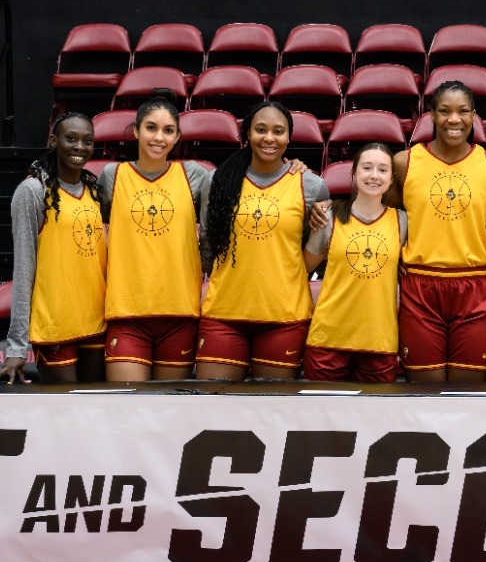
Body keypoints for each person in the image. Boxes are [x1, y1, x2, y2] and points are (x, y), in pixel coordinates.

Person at [196, 100, 331, 381]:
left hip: (285, 316)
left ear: (289, 137)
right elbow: (208, 243)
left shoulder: (311, 185)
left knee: (273, 414)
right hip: (224, 313)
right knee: (212, 409)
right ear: (247, 134)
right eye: (260, 129)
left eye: (278, 131)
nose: (269, 138)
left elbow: (312, 252)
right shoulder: (217, 180)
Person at [386, 80, 486, 383]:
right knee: (425, 391)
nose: (454, 119)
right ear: (431, 116)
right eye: (445, 111)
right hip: (420, 284)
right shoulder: (405, 162)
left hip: (473, 284)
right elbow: (386, 217)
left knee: (468, 391)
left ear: (474, 117)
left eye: (463, 111)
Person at [97, 89, 213, 381]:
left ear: (177, 137)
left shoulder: (194, 175)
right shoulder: (112, 176)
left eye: (168, 131)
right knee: (127, 410)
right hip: (127, 313)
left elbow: (212, 234)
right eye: (151, 128)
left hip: (180, 312)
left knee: (171, 416)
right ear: (136, 131)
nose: (159, 138)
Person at [0, 112, 107, 384]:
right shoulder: (33, 191)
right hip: (55, 326)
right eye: (71, 138)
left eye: (87, 140)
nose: (80, 146)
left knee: (98, 414)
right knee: (64, 418)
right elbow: (23, 269)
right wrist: (16, 347)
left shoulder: (95, 190)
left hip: (97, 323)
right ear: (54, 140)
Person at [303, 142, 407, 383]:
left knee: (375, 420)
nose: (374, 175)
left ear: (392, 179)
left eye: (383, 170)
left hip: (379, 340)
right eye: (367, 168)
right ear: (354, 174)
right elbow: (303, 269)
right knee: (320, 418)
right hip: (328, 338)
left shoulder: (403, 222)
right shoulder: (329, 216)